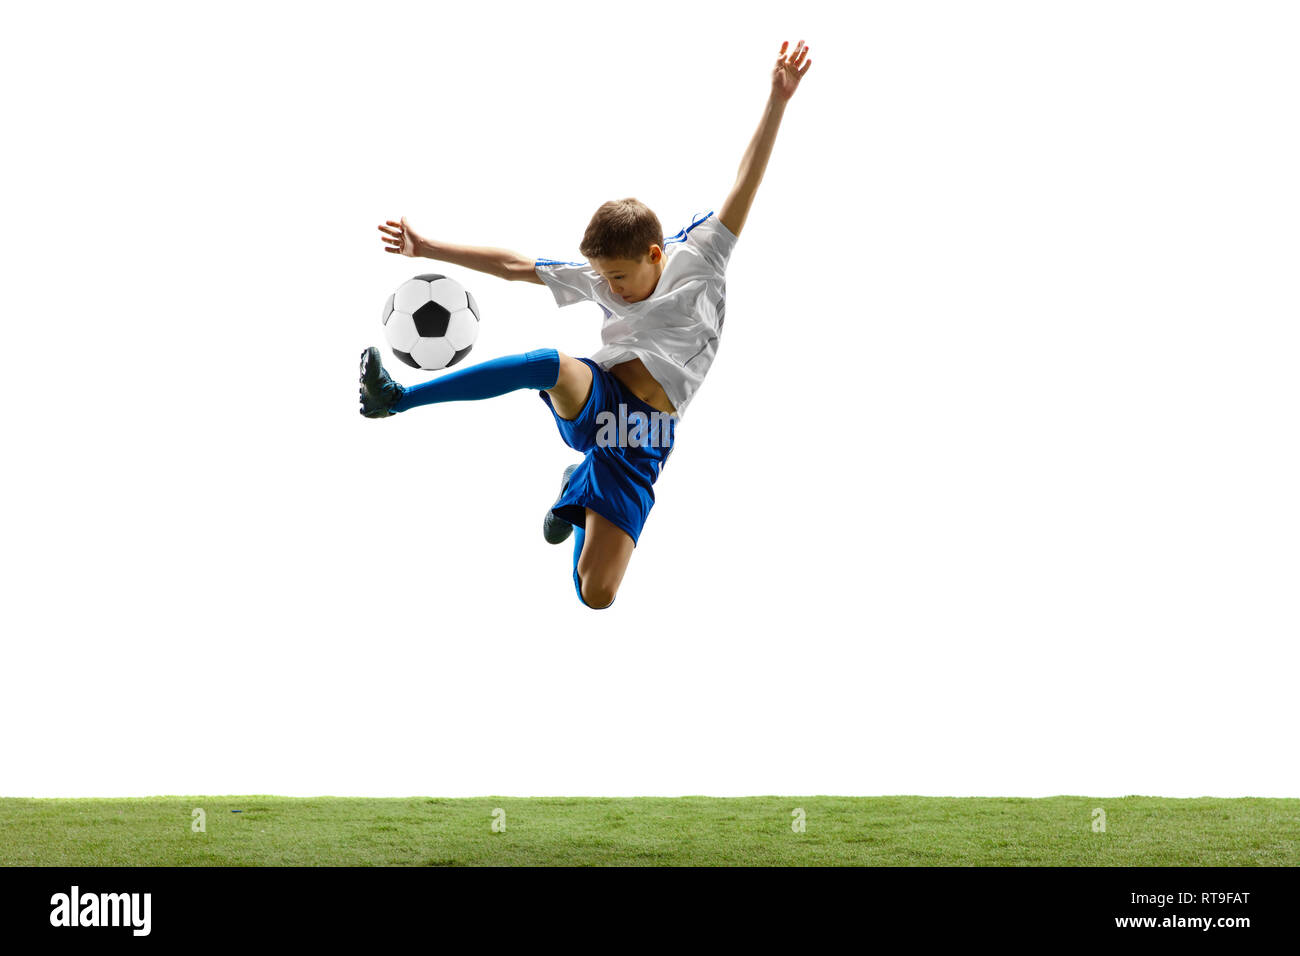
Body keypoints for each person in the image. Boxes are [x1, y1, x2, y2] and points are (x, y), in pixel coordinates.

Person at [360, 39, 812, 609]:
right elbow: (516, 266)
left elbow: (745, 181)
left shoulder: (704, 255)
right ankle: (396, 399)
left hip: (641, 439)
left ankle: (577, 487)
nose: (609, 289)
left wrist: (777, 98)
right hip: (598, 398)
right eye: (603, 278)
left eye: (618, 278)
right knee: (548, 364)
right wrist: (428, 247)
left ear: (654, 254)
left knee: (596, 595)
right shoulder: (601, 277)